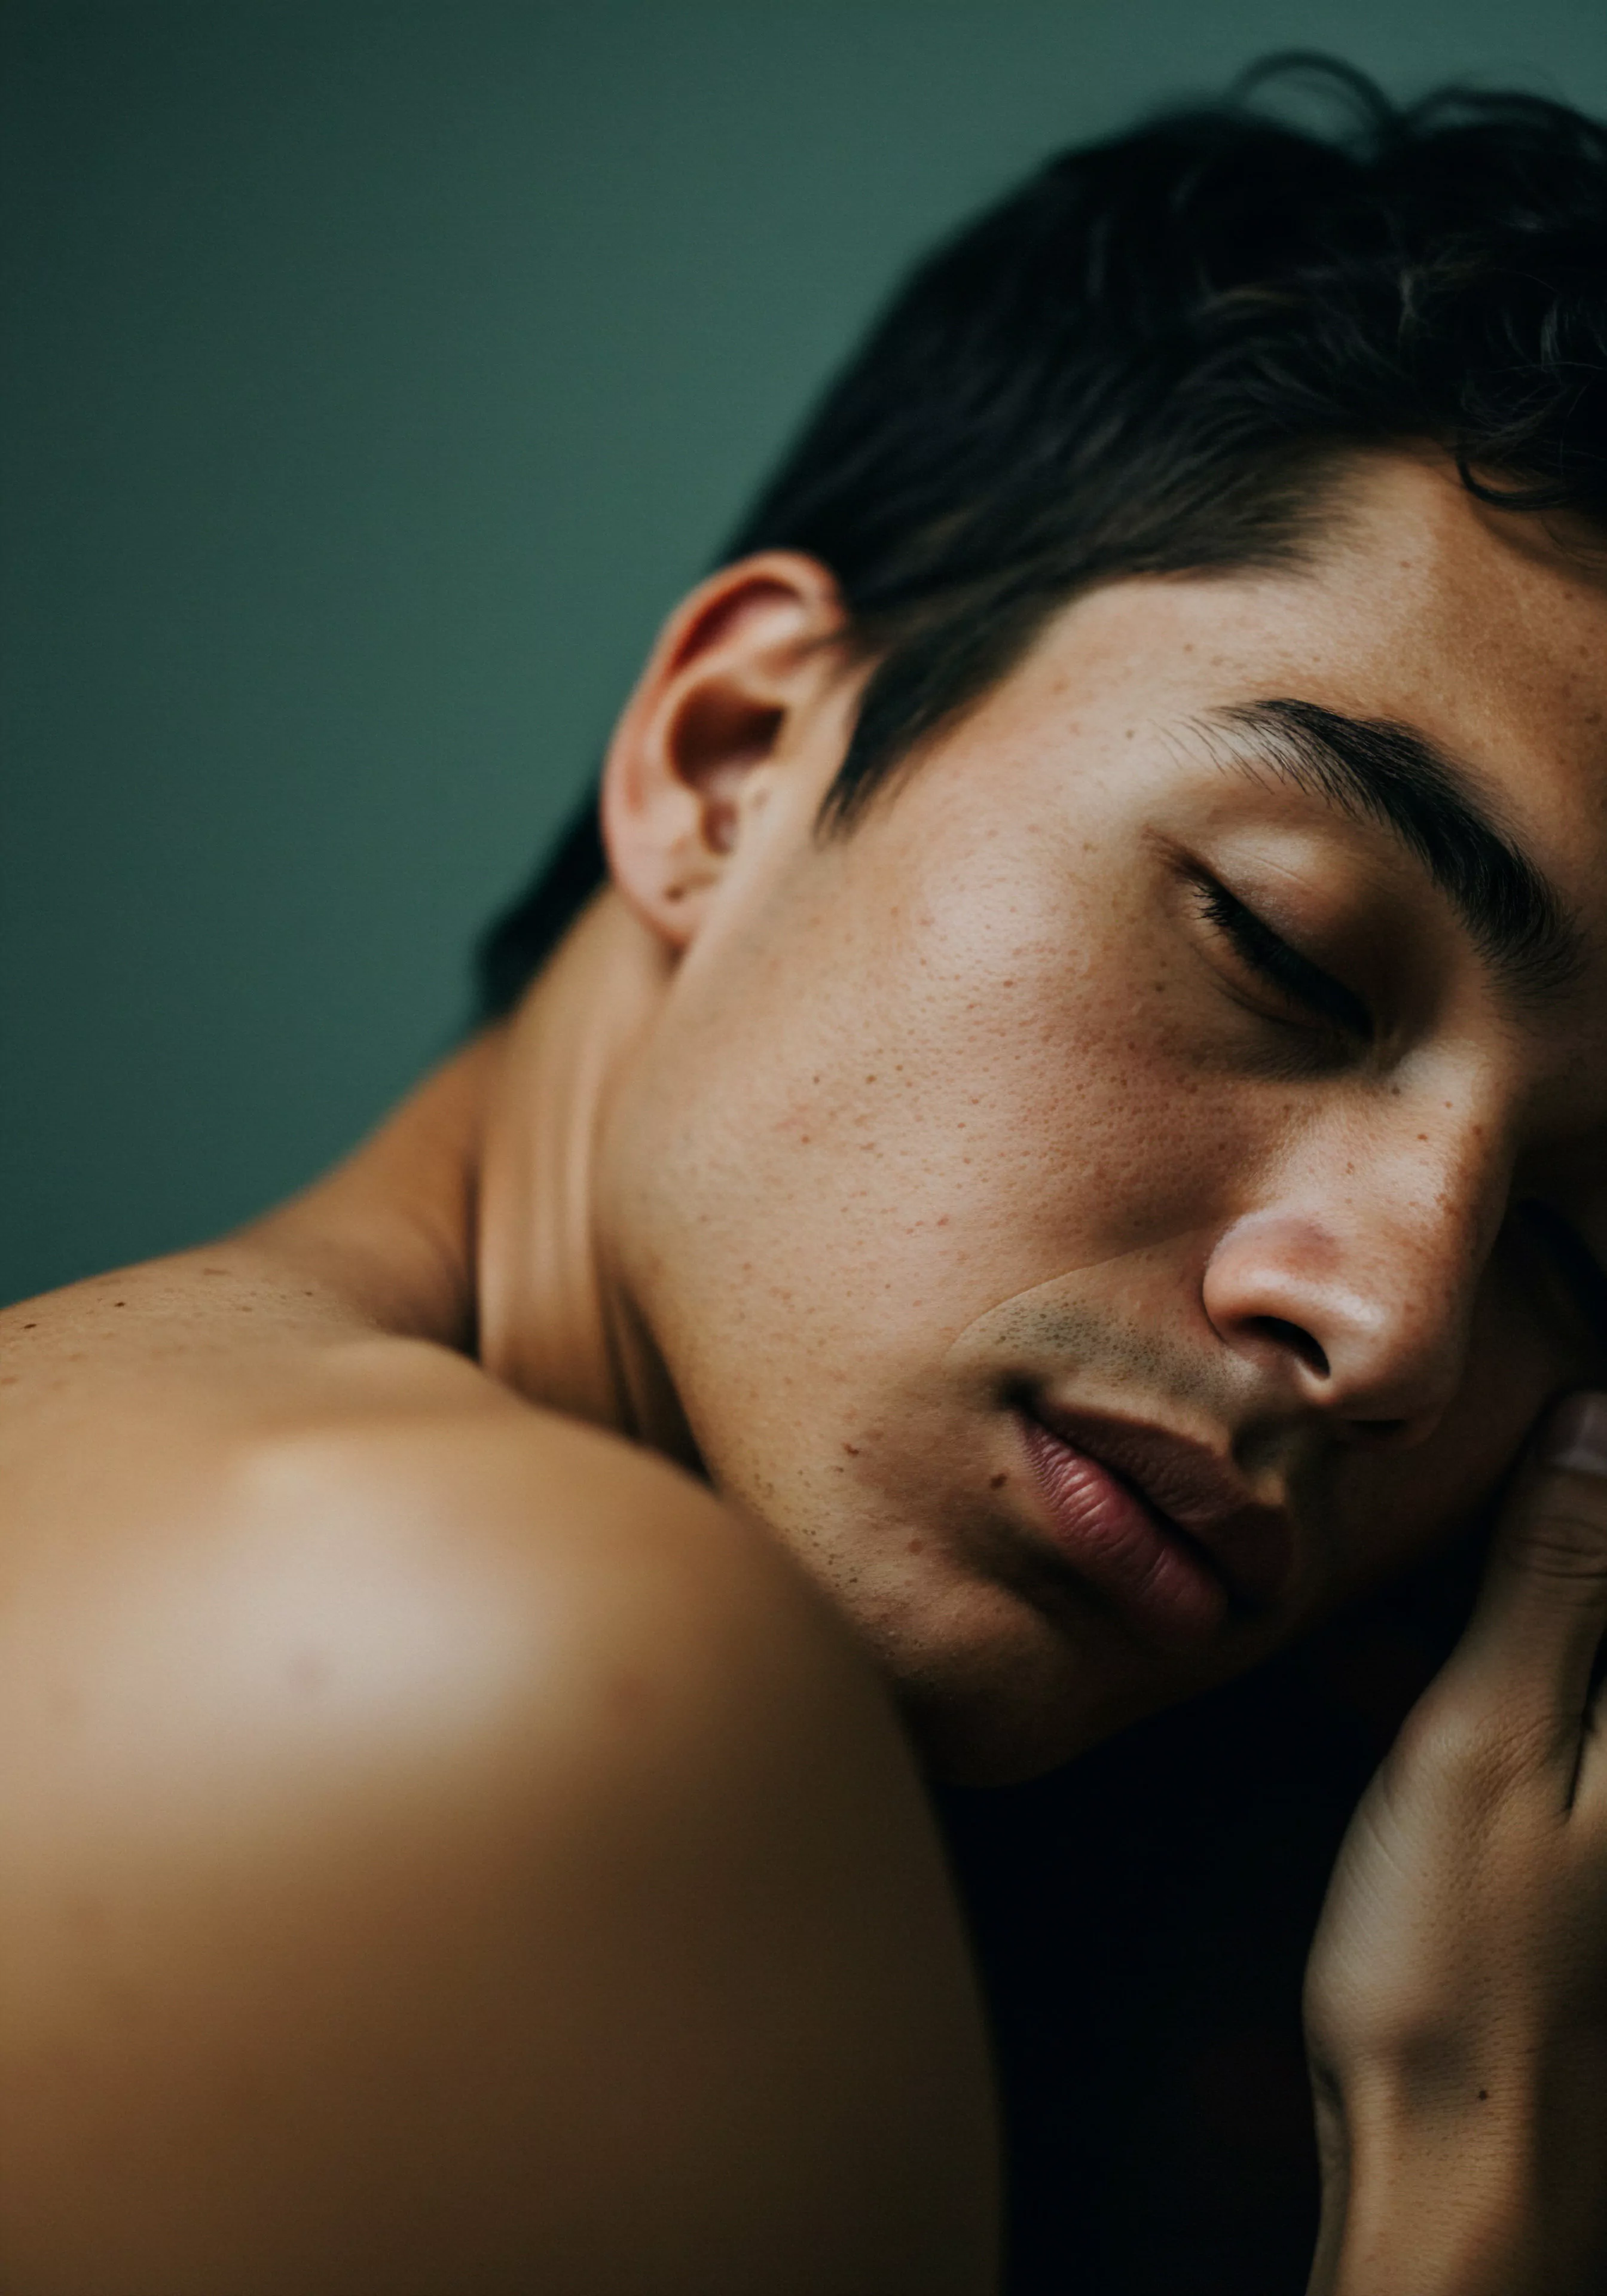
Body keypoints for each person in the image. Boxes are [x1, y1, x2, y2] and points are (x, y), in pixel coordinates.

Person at [3, 59, 1607, 2296]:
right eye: (1281, 949)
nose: (1397, 1333)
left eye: (1570, 1250)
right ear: (735, 753)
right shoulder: (501, 1674)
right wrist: (1476, 2183)